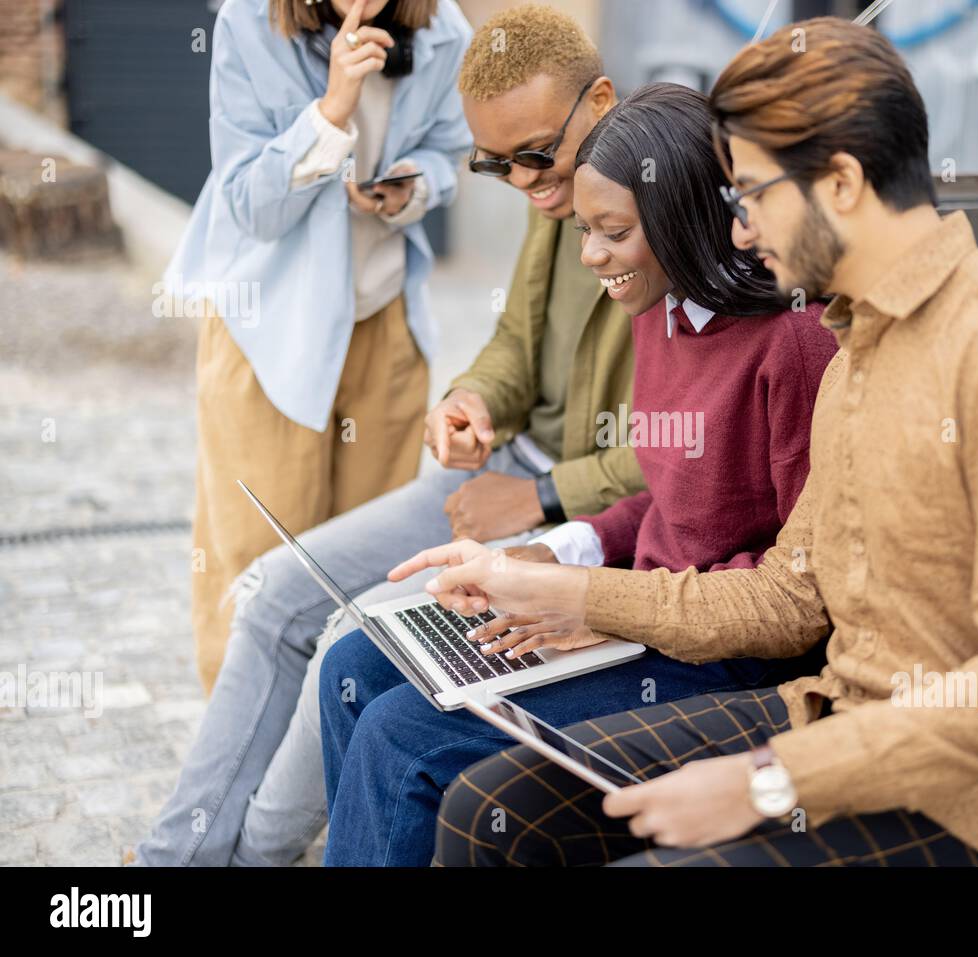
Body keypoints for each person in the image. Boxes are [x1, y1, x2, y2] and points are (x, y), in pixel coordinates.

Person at [420, 17, 978, 868]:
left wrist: (765, 781)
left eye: (752, 195)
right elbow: (789, 597)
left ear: (837, 183)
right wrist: (571, 593)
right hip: (834, 717)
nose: (738, 233)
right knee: (491, 811)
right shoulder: (853, 352)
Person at [132, 4, 642, 866]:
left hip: (574, 514)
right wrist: (475, 399)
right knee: (269, 591)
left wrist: (544, 493)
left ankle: (255, 853)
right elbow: (516, 340)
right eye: (501, 164)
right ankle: (174, 858)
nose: (522, 180)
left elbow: (680, 453)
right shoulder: (550, 180)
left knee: (350, 633)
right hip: (309, 353)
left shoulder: (655, 209)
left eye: (532, 156)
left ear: (600, 100)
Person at [317, 81, 839, 866]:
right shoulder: (662, 311)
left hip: (720, 655)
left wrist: (605, 608)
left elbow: (799, 593)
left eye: (612, 231)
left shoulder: (792, 346)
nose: (590, 254)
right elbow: (671, 501)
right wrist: (563, 552)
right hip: (637, 610)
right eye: (586, 230)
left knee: (406, 737)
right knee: (354, 664)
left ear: (683, 221)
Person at [170, 0, 473, 695]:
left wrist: (412, 187)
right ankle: (238, 769)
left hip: (383, 319)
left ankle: (342, 751)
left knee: (375, 562)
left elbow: (454, 152)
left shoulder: (444, 31)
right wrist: (332, 111)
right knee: (257, 561)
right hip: (269, 329)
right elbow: (248, 202)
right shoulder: (248, 24)